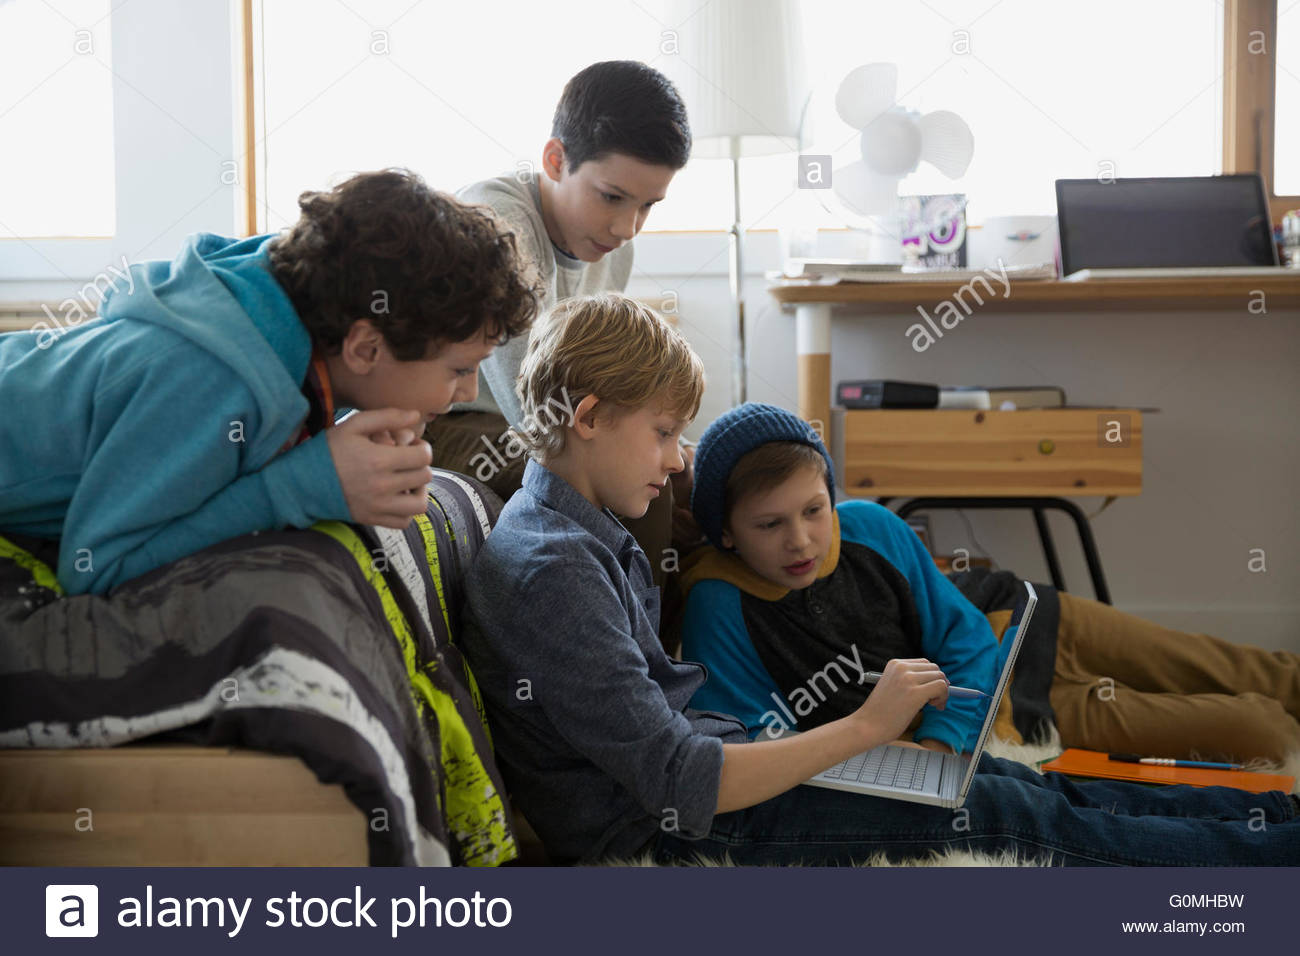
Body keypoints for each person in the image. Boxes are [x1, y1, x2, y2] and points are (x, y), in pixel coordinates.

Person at [458, 293, 1300, 867]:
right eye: (666, 431)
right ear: (592, 416)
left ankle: (1280, 825)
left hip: (727, 782)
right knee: (1004, 816)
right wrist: (866, 730)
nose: (677, 458)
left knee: (1010, 779)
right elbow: (682, 784)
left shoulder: (582, 533)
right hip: (682, 832)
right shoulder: (553, 568)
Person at [0, 169, 538, 595]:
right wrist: (300, 488)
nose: (467, 394)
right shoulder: (207, 379)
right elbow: (96, 568)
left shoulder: (282, 323)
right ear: (365, 347)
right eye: (460, 370)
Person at [679, 402, 1300, 764]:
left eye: (814, 510)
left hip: (1027, 621)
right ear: (726, 532)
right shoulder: (718, 605)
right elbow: (757, 743)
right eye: (769, 524)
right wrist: (936, 742)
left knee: (1257, 673)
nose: (802, 540)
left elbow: (967, 637)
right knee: (1263, 730)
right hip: (1013, 711)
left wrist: (942, 743)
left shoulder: (867, 526)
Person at [425, 60, 692, 596]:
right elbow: (538, 412)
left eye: (648, 206)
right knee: (638, 483)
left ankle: (667, 655)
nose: (626, 227)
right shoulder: (499, 221)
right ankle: (633, 665)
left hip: (532, 420)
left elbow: (605, 380)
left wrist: (666, 442)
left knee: (688, 478)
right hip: (452, 420)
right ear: (555, 160)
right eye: (612, 197)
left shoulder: (614, 248)